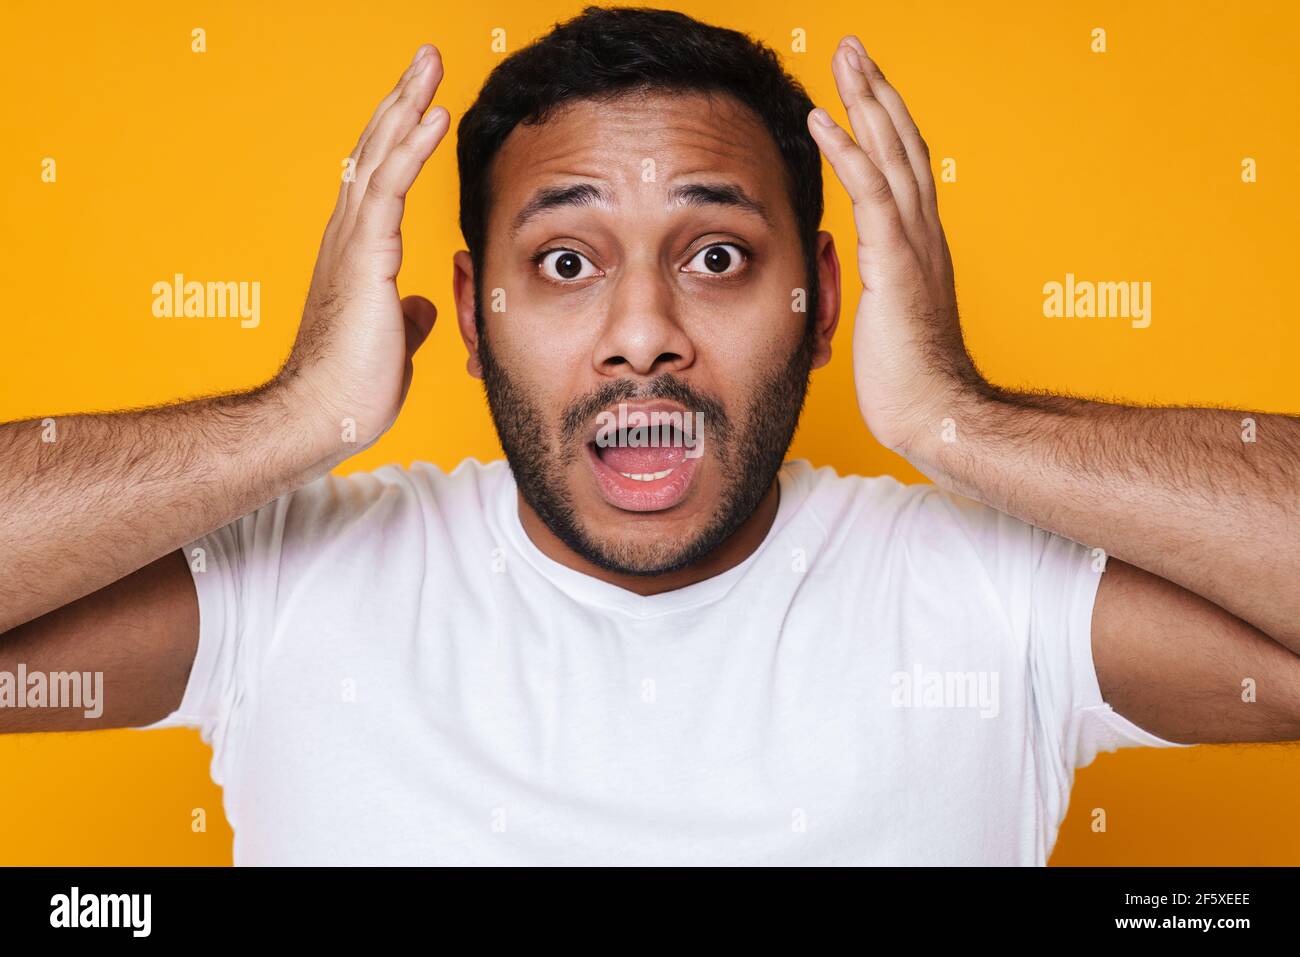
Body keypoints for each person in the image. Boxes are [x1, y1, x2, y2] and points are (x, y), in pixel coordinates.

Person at [2, 6, 1297, 865]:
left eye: (718, 254)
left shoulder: (991, 597)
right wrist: (293, 418)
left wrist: (965, 418)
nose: (642, 332)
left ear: (826, 301)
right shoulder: (283, 592)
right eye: (565, 259)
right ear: (470, 311)